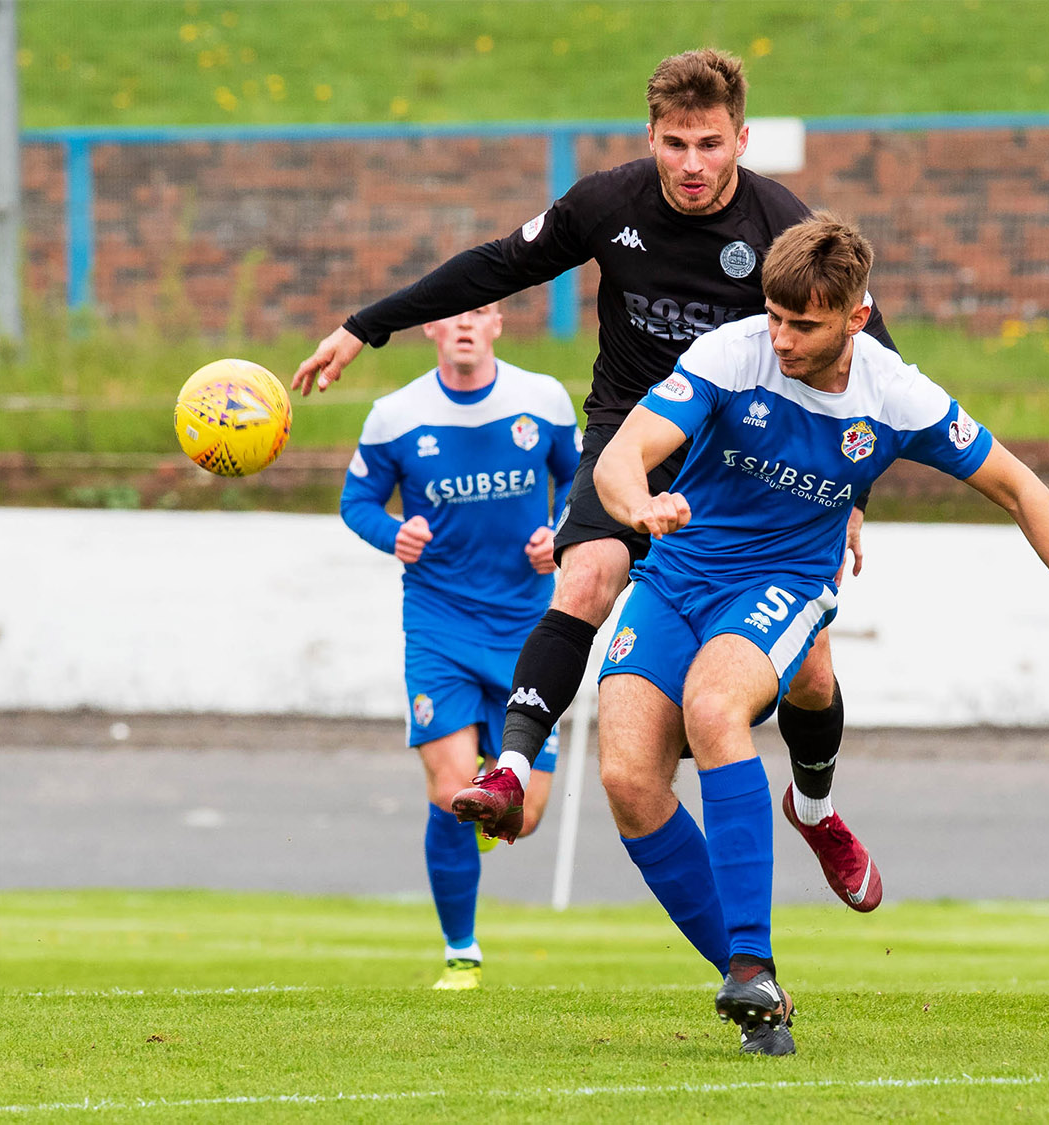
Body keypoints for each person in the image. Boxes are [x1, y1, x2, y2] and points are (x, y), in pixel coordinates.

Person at [292, 49, 885, 910]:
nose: (691, 163)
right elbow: (493, 265)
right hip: (627, 438)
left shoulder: (780, 225)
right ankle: (511, 766)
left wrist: (855, 495)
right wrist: (365, 327)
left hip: (742, 461)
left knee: (812, 671)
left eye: (710, 144)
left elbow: (867, 361)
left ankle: (818, 808)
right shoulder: (608, 203)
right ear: (651, 137)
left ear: (741, 141)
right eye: (674, 143)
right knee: (588, 576)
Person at [589, 213, 1049, 1056]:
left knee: (714, 705)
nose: (779, 338)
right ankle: (760, 987)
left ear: (856, 315)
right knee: (629, 775)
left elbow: (1021, 487)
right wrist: (640, 503)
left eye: (802, 324)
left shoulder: (895, 395)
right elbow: (622, 454)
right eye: (773, 316)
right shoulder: (732, 353)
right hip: (677, 572)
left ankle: (752, 948)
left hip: (781, 582)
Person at [339, 303, 580, 989]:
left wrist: (559, 536)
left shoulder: (544, 400)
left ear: (498, 324)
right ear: (432, 331)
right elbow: (356, 501)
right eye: (453, 316)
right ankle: (462, 950)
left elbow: (582, 483)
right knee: (452, 792)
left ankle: (482, 794)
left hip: (530, 633)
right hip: (439, 628)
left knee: (523, 817)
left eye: (480, 311)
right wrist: (393, 534)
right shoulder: (396, 414)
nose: (467, 324)